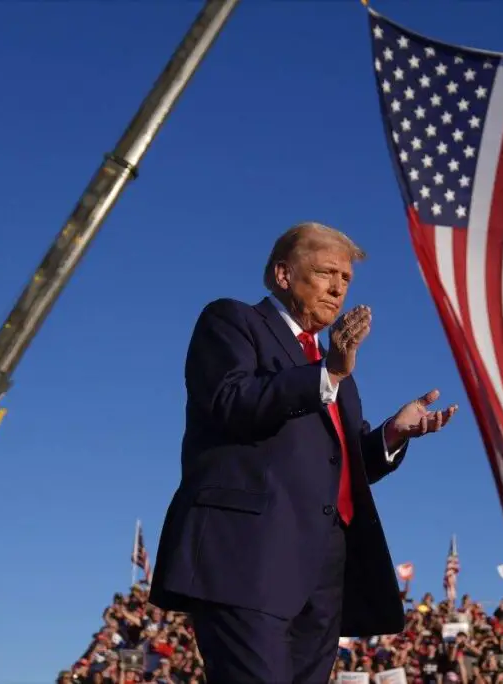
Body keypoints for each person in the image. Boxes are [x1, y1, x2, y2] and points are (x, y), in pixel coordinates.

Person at [150, 221, 458, 683]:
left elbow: (341, 466)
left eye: (346, 279)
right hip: (246, 560)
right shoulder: (232, 321)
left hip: (322, 576)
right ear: (282, 275)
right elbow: (231, 402)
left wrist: (392, 434)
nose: (338, 288)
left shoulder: (337, 374)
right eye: (325, 273)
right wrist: (328, 373)